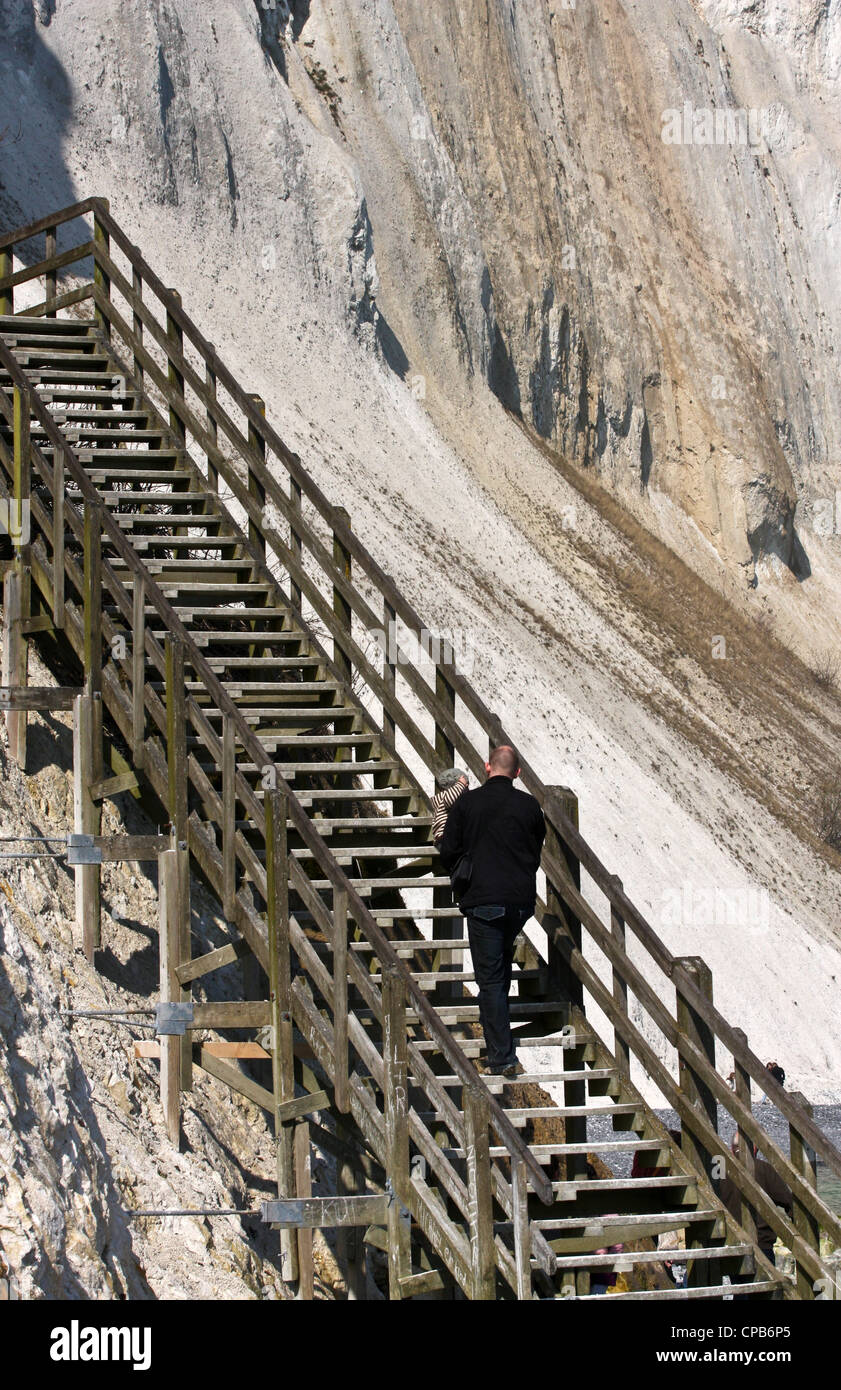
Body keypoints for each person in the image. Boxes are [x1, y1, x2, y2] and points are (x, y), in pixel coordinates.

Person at [439, 744, 546, 1077]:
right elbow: (536, 848)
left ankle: (501, 1057)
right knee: (498, 971)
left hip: (483, 900)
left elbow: (449, 849)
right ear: (517, 773)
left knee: (490, 981)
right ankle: (500, 1037)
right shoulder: (530, 807)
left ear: (487, 768)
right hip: (519, 903)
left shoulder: (467, 803)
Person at [432, 768, 469, 843]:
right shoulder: (445, 797)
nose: (467, 787)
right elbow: (450, 800)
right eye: (465, 786)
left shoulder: (454, 798)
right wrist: (461, 784)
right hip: (445, 837)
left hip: (453, 838)